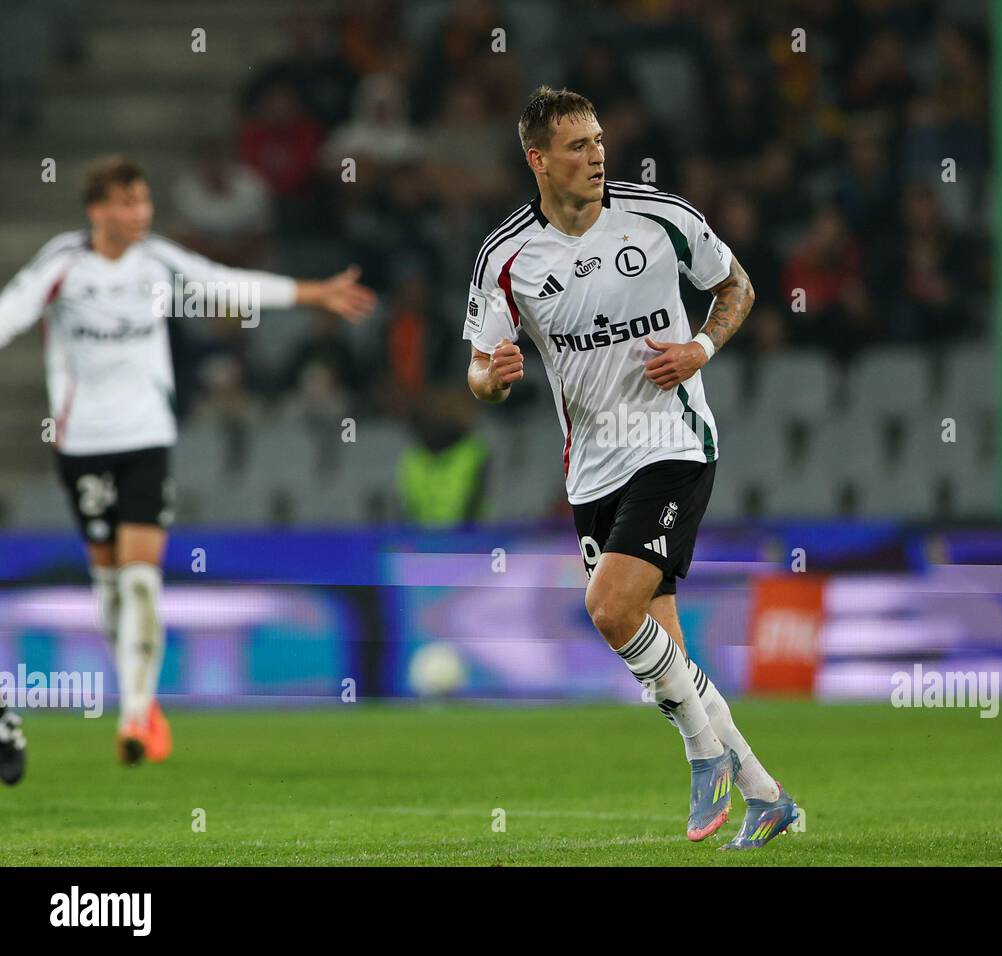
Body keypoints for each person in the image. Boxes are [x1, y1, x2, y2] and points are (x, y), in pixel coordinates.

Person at [463, 87, 799, 850]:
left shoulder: (660, 218)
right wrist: (496, 376)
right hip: (592, 471)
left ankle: (705, 759)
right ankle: (768, 797)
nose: (596, 156)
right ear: (537, 159)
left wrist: (701, 349)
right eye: (577, 146)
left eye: (599, 141)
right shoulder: (506, 257)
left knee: (610, 609)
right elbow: (477, 373)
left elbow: (737, 286)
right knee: (666, 663)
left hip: (672, 444)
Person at [0, 156, 376, 767]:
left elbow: (225, 285)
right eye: (128, 203)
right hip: (81, 444)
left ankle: (136, 714)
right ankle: (137, 698)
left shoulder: (157, 262)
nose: (141, 213)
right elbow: (9, 313)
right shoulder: (63, 264)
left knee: (142, 578)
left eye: (145, 201)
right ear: (98, 210)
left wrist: (312, 293)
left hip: (145, 438)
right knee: (110, 586)